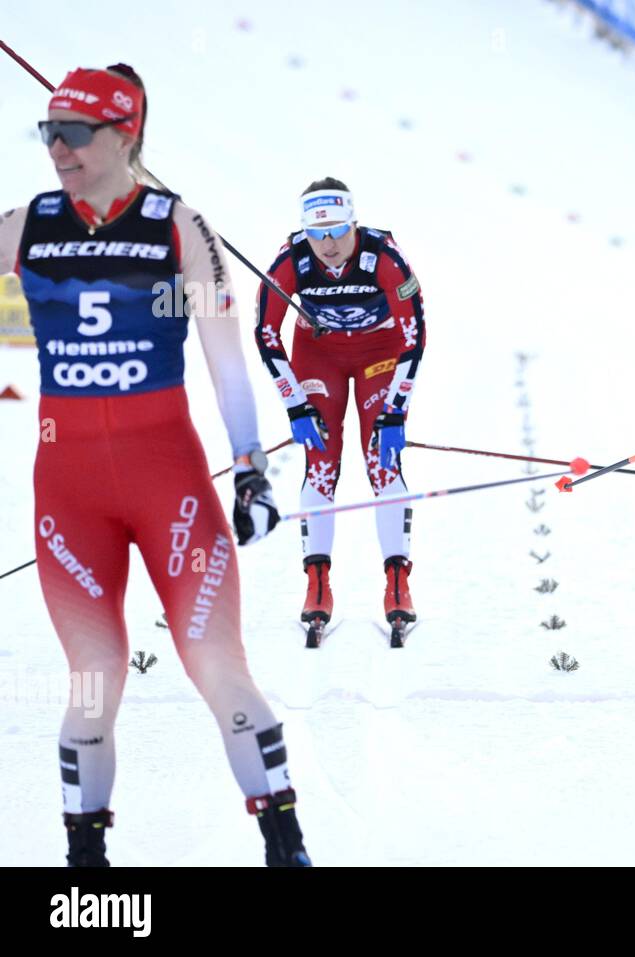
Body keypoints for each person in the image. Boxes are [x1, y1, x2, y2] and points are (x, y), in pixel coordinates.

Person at [0, 64, 309, 866]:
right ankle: (86, 867)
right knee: (93, 681)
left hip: (167, 478)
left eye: (74, 133)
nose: (57, 149)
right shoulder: (25, 224)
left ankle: (286, 847)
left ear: (125, 135)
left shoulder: (180, 227)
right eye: (48, 132)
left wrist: (250, 467)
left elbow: (226, 361)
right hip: (68, 491)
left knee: (217, 665)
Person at [253, 179, 426, 643]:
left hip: (382, 353)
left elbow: (415, 337)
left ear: (354, 223)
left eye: (338, 232)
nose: (328, 244)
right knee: (322, 462)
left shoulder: (384, 258)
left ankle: (397, 582)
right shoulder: (290, 262)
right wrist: (295, 405)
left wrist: (395, 411)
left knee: (382, 461)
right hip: (319, 356)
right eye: (317, 233)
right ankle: (317, 583)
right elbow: (266, 336)